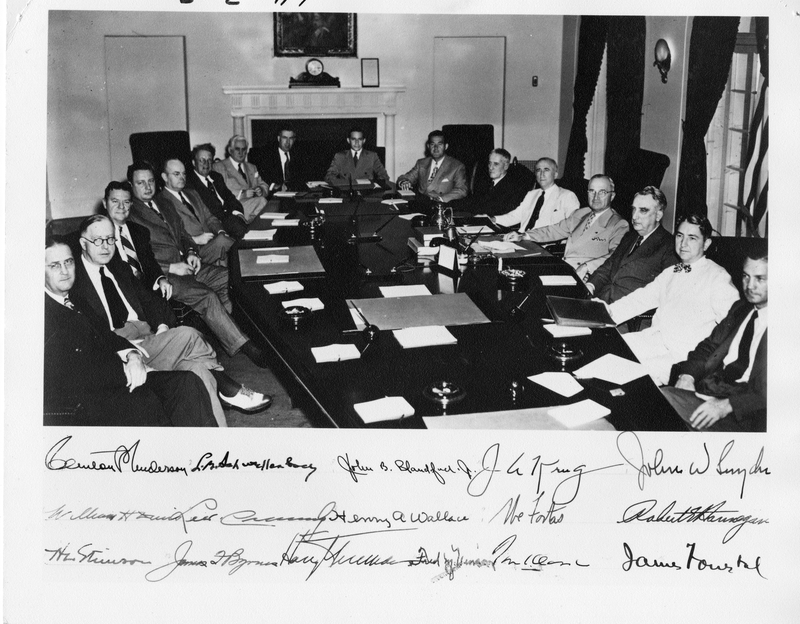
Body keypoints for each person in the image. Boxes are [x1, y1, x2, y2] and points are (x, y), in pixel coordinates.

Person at [69, 215, 272, 422]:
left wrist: (162, 326)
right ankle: (229, 389)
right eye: (98, 240)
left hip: (150, 340)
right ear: (83, 243)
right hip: (123, 348)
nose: (106, 246)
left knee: (199, 371)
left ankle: (216, 442)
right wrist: (131, 349)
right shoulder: (74, 281)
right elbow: (92, 333)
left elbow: (149, 300)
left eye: (110, 239)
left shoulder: (118, 266)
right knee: (188, 335)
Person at [44, 237, 217, 427]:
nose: (64, 271)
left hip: (118, 377)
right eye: (54, 265)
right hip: (88, 399)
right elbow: (68, 375)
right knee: (148, 401)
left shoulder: (76, 299)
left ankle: (206, 452)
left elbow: (108, 337)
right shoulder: (40, 315)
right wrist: (124, 371)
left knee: (187, 382)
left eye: (68, 262)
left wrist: (133, 356)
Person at [126, 160, 271, 368]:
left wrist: (192, 252)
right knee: (207, 296)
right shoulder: (131, 215)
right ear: (131, 186)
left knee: (230, 279)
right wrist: (170, 268)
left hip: (189, 265)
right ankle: (246, 347)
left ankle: (233, 332)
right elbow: (140, 258)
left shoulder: (164, 203)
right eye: (141, 183)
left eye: (150, 181)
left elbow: (183, 235)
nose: (147, 187)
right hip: (166, 276)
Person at [608, 214, 740, 385]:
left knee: (625, 374)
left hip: (682, 356)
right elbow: (639, 299)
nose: (683, 244)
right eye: (679, 236)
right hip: (654, 340)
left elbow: (733, 326)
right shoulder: (672, 272)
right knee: (610, 349)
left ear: (706, 243)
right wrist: (605, 314)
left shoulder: (717, 277)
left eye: (692, 238)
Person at [660, 246, 768, 432]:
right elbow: (708, 347)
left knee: (662, 407)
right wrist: (687, 376)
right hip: (711, 390)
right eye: (745, 276)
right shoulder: (741, 309)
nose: (750, 286)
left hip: (746, 413)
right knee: (656, 397)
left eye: (760, 278)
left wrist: (727, 405)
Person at [505, 174, 629, 280]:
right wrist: (523, 235)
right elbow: (554, 230)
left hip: (589, 276)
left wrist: (588, 267)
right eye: (591, 191)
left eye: (602, 192)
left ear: (612, 196)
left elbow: (616, 256)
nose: (595, 197)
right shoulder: (582, 213)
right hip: (565, 268)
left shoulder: (618, 224)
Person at [586, 186, 678, 303]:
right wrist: (590, 285)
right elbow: (607, 267)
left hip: (631, 317)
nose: (634, 216)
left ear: (658, 215)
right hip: (601, 301)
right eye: (634, 209)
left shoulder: (669, 246)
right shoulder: (630, 237)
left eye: (643, 210)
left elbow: (664, 294)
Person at [158, 158, 234, 267]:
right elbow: (170, 234)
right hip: (193, 251)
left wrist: (220, 231)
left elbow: (210, 218)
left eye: (184, 174)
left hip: (212, 241)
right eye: (176, 174)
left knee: (225, 247)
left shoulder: (192, 193)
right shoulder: (161, 201)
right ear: (165, 177)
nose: (182, 177)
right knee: (228, 245)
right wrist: (195, 240)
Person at [494, 157, 579, 229]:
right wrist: (492, 219)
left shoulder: (567, 196)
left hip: (546, 244)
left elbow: (572, 227)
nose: (541, 174)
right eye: (538, 170)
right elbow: (515, 216)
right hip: (522, 238)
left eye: (546, 170)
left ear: (555, 175)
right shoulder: (531, 194)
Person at [185, 143, 248, 239]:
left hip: (232, 218)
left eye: (209, 160)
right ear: (194, 163)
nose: (206, 164)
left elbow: (230, 198)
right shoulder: (189, 183)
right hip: (216, 223)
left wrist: (238, 213)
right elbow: (209, 211)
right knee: (243, 230)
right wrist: (233, 218)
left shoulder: (216, 176)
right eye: (202, 160)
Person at [397, 130, 468, 203]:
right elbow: (405, 177)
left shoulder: (457, 166)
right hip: (420, 203)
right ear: (428, 146)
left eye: (439, 144)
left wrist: (441, 199)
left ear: (445, 146)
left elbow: (462, 190)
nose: (436, 148)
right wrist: (404, 182)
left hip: (441, 205)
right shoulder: (421, 163)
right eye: (432, 144)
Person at [456, 149, 532, 216]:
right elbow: (472, 201)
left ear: (506, 166)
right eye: (489, 163)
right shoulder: (485, 182)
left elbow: (501, 212)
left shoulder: (513, 187)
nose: (490, 167)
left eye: (496, 164)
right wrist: (449, 205)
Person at [212, 135, 270, 222]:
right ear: (230, 150)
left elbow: (263, 184)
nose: (241, 152)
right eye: (237, 149)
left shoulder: (252, 167)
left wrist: (261, 189)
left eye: (243, 149)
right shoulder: (219, 167)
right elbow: (219, 192)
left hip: (253, 208)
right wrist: (242, 194)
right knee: (262, 202)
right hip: (233, 209)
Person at [324, 127, 390, 187]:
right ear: (348, 140)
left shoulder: (372, 156)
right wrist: (341, 184)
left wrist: (376, 185)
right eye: (353, 139)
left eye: (360, 139)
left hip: (366, 192)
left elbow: (384, 176)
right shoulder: (340, 156)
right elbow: (329, 176)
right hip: (346, 191)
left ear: (364, 141)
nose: (356, 143)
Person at [255, 127, 306, 192]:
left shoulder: (299, 156)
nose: (287, 142)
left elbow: (302, 179)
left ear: (294, 140)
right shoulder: (267, 156)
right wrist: (275, 186)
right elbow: (262, 179)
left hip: (295, 194)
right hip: (273, 194)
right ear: (279, 138)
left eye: (290, 138)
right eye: (284, 138)